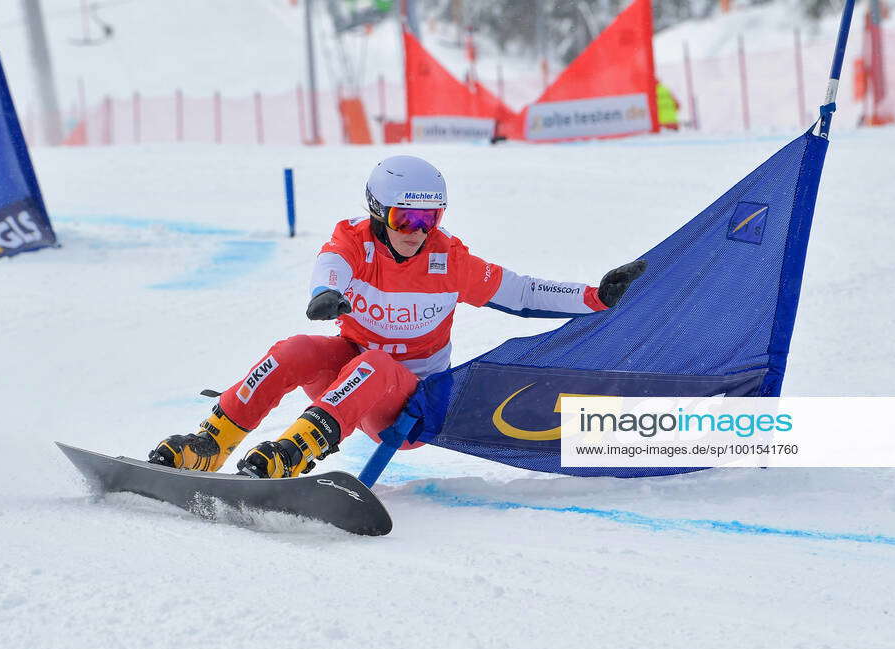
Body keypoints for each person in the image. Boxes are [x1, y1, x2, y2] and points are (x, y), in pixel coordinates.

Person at [149, 155, 646, 479]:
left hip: (412, 405)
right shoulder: (355, 241)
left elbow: (521, 293)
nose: (416, 230)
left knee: (377, 365)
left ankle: (292, 453)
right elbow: (333, 262)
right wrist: (326, 293)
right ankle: (211, 444)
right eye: (404, 217)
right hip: (348, 379)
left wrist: (596, 297)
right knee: (295, 350)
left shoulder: (449, 260)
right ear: (377, 212)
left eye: (429, 218)